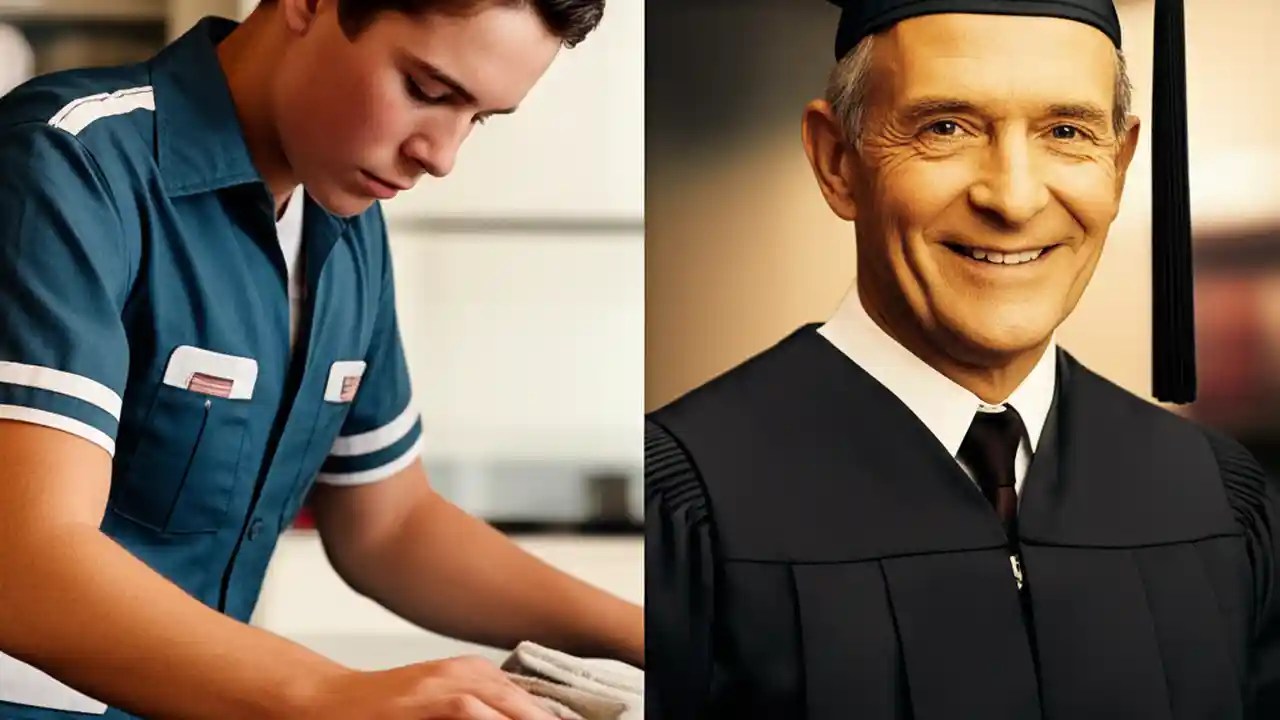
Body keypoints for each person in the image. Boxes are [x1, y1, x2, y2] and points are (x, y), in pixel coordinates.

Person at [0, 1, 642, 718]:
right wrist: (335, 695)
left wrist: (657, 639)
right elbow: (26, 561)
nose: (442, 155)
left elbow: (389, 524)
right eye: (428, 92)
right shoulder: (67, 162)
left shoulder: (344, 223)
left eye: (480, 118)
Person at [646, 0, 1280, 717]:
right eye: (945, 127)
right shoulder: (684, 503)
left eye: (1066, 132)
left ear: (1121, 163)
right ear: (836, 161)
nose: (1012, 198)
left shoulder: (1219, 499)